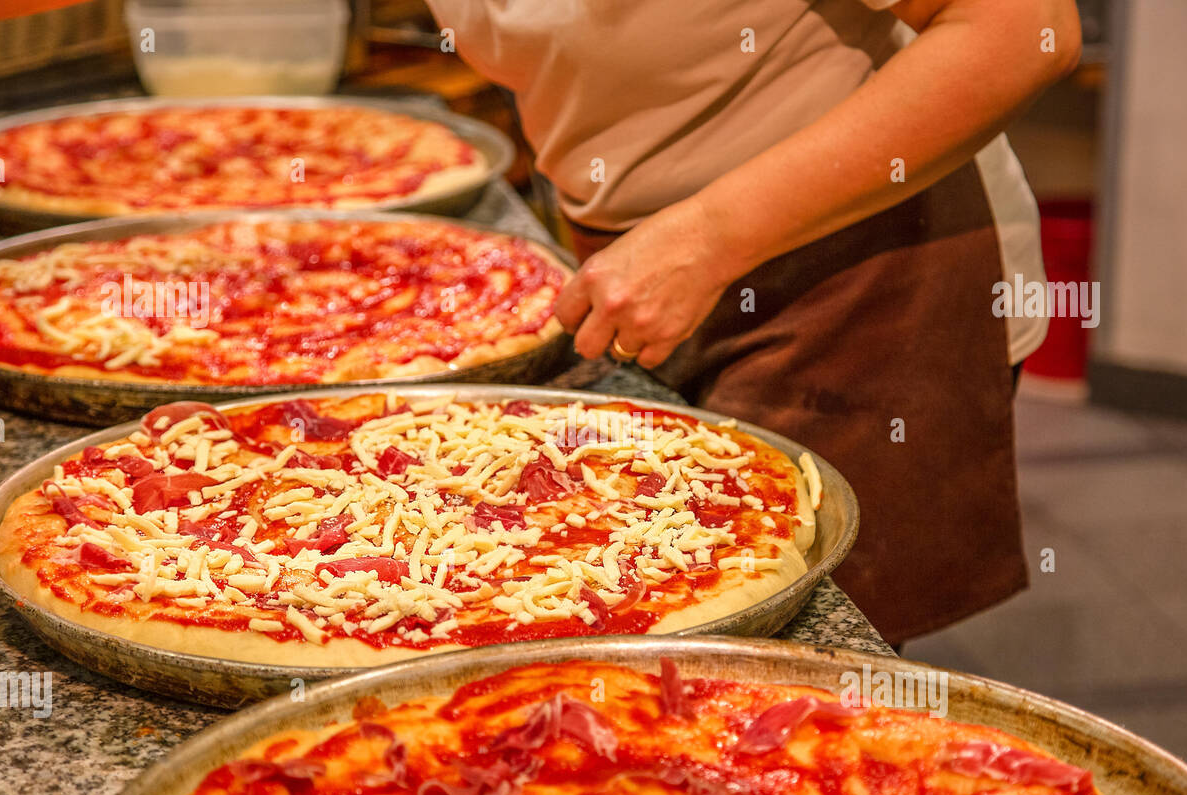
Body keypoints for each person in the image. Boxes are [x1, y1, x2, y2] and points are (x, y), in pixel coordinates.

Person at [425, 0, 1081, 645]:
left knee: (784, 675)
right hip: (633, 270)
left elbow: (1026, 30)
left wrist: (708, 238)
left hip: (852, 267)